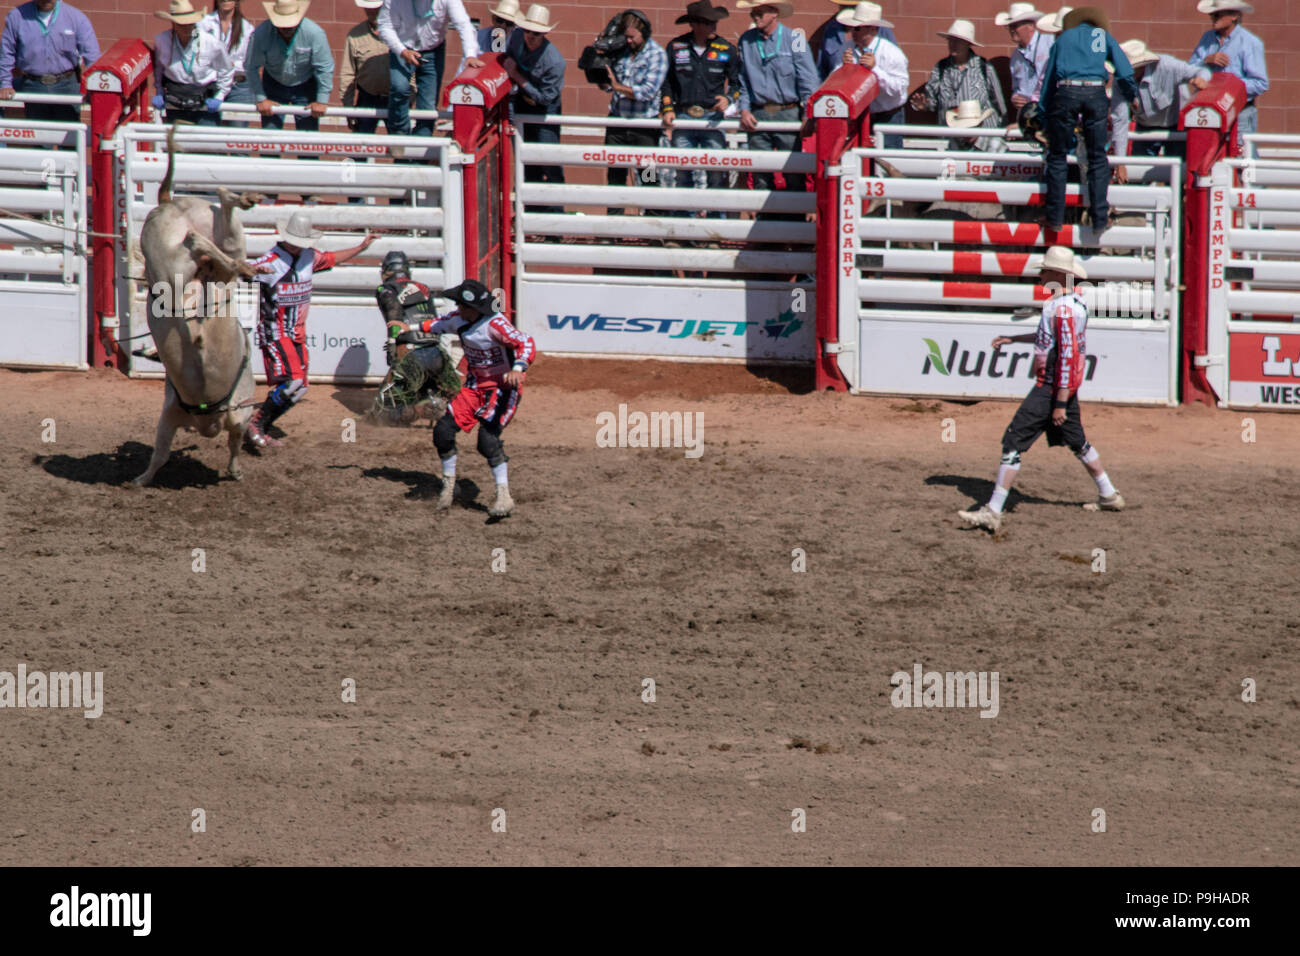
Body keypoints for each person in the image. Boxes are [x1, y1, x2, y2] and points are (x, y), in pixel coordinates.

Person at [958, 246, 1125, 533]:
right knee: (1077, 441)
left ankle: (994, 510)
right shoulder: (1070, 305)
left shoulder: (1062, 309)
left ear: (1057, 275)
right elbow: (1055, 343)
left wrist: (1059, 401)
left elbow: (1066, 356)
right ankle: (1108, 494)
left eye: (1044, 271)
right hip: (1061, 388)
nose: (1040, 275)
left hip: (1051, 388)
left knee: (1014, 440)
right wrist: (1014, 338)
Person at [396, 278, 537, 518]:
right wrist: (408, 329)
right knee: (443, 431)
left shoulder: (496, 324)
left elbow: (525, 341)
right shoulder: (459, 320)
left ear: (474, 308)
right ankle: (449, 486)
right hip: (474, 387)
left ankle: (504, 494)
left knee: (487, 441)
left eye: (462, 305)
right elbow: (437, 324)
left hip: (502, 388)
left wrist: (519, 367)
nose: (458, 308)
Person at [245, 212, 377, 448]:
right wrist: (247, 271)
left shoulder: (309, 256)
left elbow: (332, 258)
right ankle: (256, 424)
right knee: (294, 381)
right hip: (275, 331)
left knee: (300, 388)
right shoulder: (272, 261)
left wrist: (360, 247)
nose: (299, 246)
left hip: (297, 333)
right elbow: (244, 270)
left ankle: (262, 424)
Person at [1039, 6, 1136, 233]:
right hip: (1095, 92)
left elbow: (1049, 78)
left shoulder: (1063, 40)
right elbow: (1124, 69)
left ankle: (1054, 217)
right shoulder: (1103, 36)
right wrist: (1131, 95)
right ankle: (1100, 218)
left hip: (1066, 92)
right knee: (1097, 157)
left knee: (1057, 156)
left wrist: (1044, 110)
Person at [736, 2, 818, 209]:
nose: (755, 17)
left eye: (760, 12)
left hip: (788, 111)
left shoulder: (796, 38)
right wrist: (744, 109)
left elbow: (808, 79)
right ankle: (766, 229)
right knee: (760, 172)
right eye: (753, 12)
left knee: (793, 172)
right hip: (758, 113)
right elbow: (742, 79)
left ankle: (793, 228)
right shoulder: (746, 40)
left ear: (774, 13)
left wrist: (809, 114)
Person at [660, 1, 739, 200]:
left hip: (713, 118)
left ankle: (715, 222)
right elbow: (666, 82)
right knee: (682, 172)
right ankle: (683, 221)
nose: (714, 26)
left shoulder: (727, 49)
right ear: (694, 24)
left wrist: (729, 99)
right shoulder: (676, 47)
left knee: (715, 172)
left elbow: (738, 84)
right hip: (683, 116)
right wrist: (668, 108)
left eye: (714, 22)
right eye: (708, 22)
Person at [377, 0, 482, 138]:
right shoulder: (394, 1)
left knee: (428, 104)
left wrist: (470, 54)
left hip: (433, 50)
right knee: (399, 88)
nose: (502, 25)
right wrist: (402, 51)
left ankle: (420, 149)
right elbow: (385, 26)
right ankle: (399, 136)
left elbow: (463, 24)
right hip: (402, 47)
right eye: (499, 20)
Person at [600, 10, 666, 214]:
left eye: (632, 37)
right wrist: (604, 80)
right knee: (615, 177)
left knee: (648, 177)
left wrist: (618, 86)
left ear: (644, 33)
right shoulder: (621, 51)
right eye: (626, 36)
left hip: (644, 127)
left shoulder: (657, 54)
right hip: (618, 124)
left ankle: (654, 227)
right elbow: (610, 86)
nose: (628, 41)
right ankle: (614, 228)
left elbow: (647, 92)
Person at [501, 4, 564, 212]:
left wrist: (516, 76)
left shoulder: (554, 61)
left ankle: (557, 221)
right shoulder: (517, 37)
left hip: (545, 113)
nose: (530, 36)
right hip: (520, 104)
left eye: (536, 33)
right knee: (526, 163)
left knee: (550, 163)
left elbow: (545, 98)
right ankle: (530, 219)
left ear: (544, 34)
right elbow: (505, 57)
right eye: (528, 30)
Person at [910, 19, 1007, 152]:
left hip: (982, 139)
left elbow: (999, 103)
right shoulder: (941, 68)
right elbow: (933, 102)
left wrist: (1000, 132)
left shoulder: (983, 68)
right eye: (950, 40)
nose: (953, 45)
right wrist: (923, 105)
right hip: (951, 140)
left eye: (958, 41)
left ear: (968, 44)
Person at [0, 0, 100, 122]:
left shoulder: (76, 18)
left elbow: (92, 56)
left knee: (69, 134)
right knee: (38, 133)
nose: (46, 1)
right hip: (33, 85)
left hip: (67, 85)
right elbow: (6, 52)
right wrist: (5, 84)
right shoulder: (17, 16)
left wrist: (94, 89)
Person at [1189, 0, 1266, 152]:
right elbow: (1189, 69)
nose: (1213, 18)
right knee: (1208, 154)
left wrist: (1229, 90)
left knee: (1241, 155)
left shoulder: (1249, 43)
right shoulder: (1207, 39)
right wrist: (1207, 60)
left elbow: (1260, 83)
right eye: (1212, 14)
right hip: (1211, 112)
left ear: (1234, 16)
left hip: (1240, 112)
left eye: (1217, 14)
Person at [244, 0, 333, 132]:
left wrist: (321, 100)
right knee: (270, 136)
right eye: (282, 25)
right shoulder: (260, 34)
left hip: (306, 85)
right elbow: (251, 66)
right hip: (273, 84)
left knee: (307, 137)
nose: (287, 29)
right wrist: (261, 98)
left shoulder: (314, 33)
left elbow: (325, 67)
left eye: (291, 25)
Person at [1115, 39, 1208, 160]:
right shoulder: (1121, 81)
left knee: (1177, 172)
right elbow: (1119, 118)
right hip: (1144, 128)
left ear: (1141, 65)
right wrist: (1119, 161)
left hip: (1175, 126)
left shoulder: (1168, 66)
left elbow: (1201, 71)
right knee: (1138, 172)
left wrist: (1201, 79)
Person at [832, 3, 907, 149]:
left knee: (886, 162)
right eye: (852, 27)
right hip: (860, 117)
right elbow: (834, 81)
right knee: (861, 162)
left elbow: (898, 88)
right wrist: (844, 69)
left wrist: (875, 70)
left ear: (873, 29)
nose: (853, 32)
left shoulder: (891, 53)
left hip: (888, 116)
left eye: (857, 28)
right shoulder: (848, 48)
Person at [152, 0, 234, 127]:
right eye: (182, 25)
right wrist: (159, 91)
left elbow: (226, 69)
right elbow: (158, 69)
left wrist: (220, 96)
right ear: (173, 24)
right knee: (178, 142)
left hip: (205, 101)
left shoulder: (210, 42)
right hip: (176, 101)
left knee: (206, 143)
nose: (187, 28)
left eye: (190, 24)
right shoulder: (162, 41)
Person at [200, 0, 255, 126]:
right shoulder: (204, 24)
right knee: (207, 132)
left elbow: (248, 64)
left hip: (238, 86)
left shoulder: (247, 28)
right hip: (211, 85)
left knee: (237, 135)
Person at [813, 0, 895, 81]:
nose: (846, 8)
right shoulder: (832, 28)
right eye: (843, 5)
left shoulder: (880, 29)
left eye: (853, 6)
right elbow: (822, 69)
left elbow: (894, 70)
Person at [341, 0, 390, 134]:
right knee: (361, 145)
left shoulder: (400, 31)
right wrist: (348, 108)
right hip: (367, 96)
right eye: (368, 8)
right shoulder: (355, 35)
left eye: (375, 8)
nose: (372, 11)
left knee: (401, 146)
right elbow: (348, 73)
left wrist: (410, 97)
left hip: (395, 97)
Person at [997, 3, 1051, 112]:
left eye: (1015, 25)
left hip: (1047, 110)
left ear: (1031, 26)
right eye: (1009, 26)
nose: (1011, 30)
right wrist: (1015, 98)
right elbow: (1016, 87)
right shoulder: (1015, 57)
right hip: (1026, 114)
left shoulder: (1049, 43)